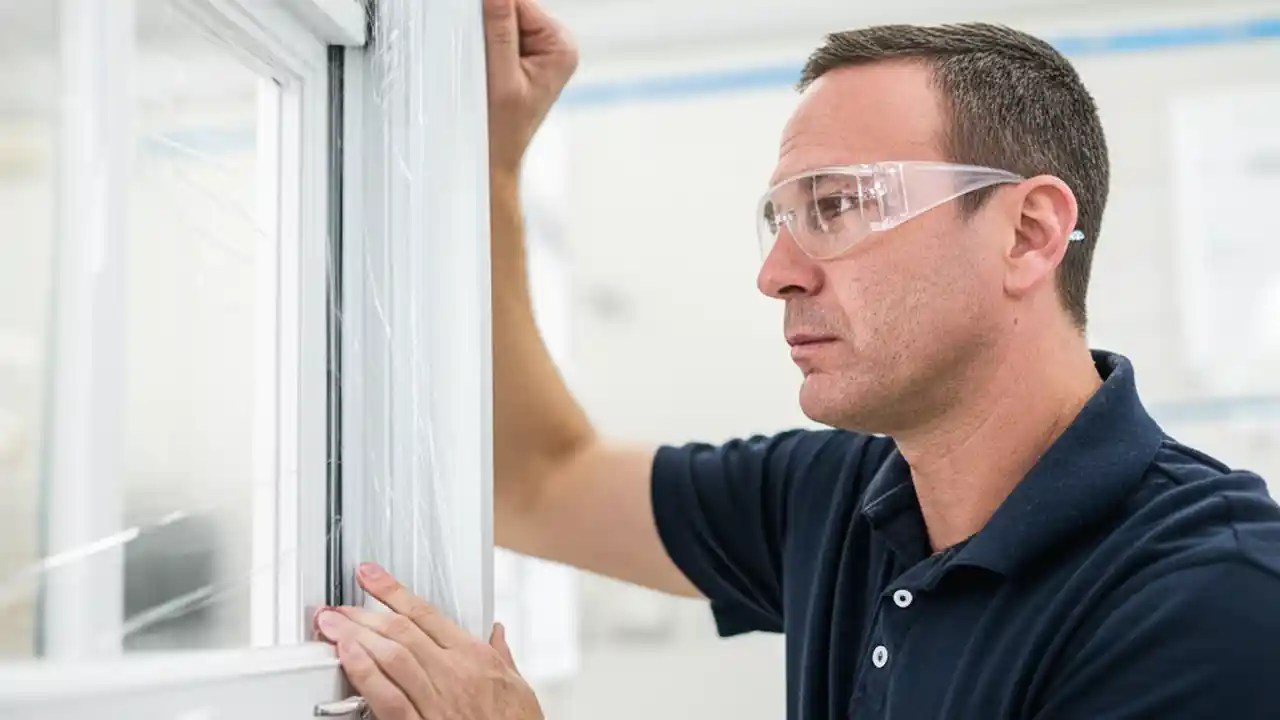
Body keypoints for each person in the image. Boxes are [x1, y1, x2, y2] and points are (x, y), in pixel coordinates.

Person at [313, 0, 1280, 717]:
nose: (777, 272)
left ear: (1027, 233)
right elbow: (533, 479)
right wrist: (490, 161)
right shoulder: (845, 495)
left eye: (838, 206)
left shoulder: (1207, 602)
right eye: (779, 218)